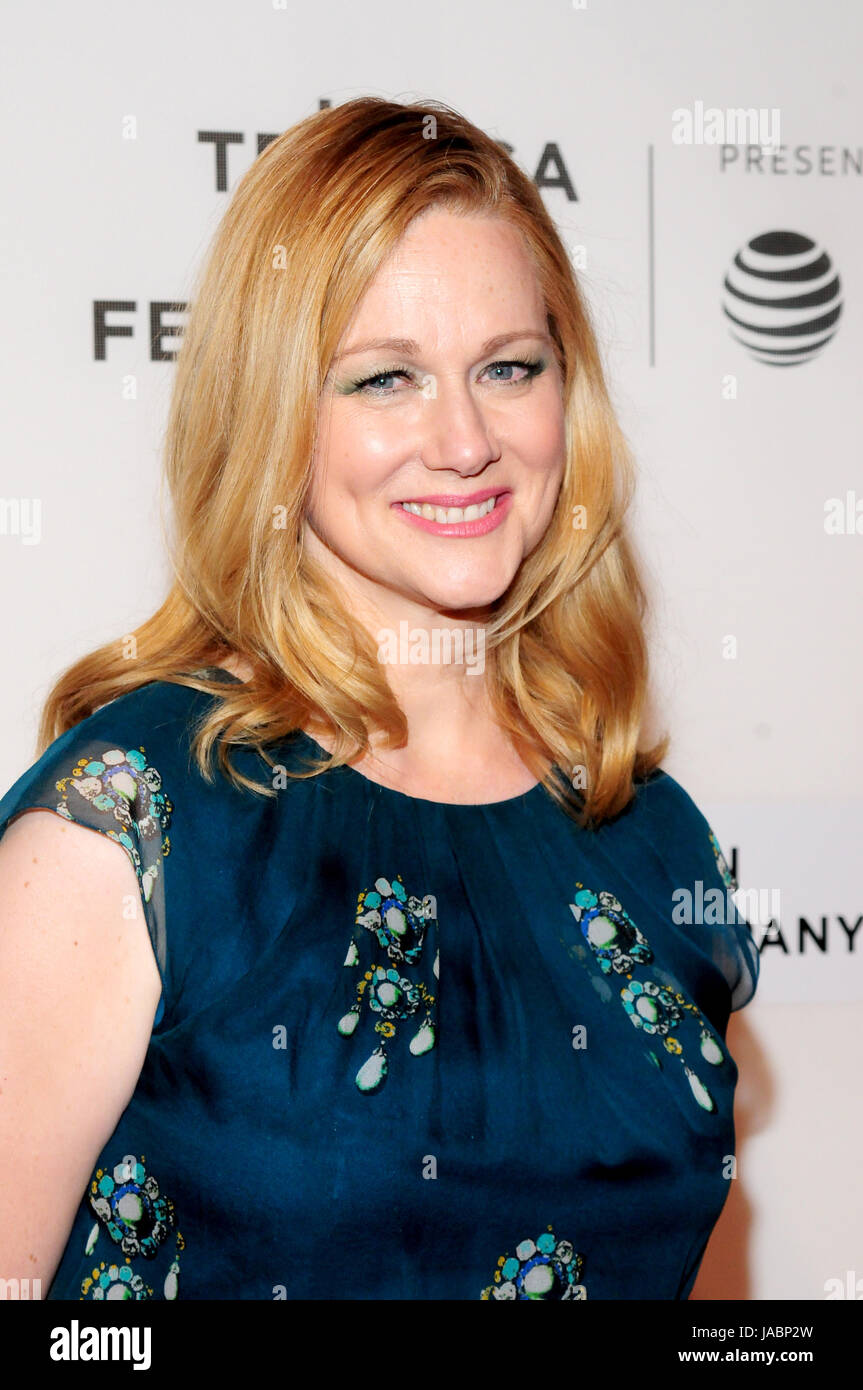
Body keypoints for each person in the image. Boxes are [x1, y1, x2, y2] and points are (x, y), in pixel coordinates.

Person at [0, 96, 758, 1301]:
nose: (462, 440)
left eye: (508, 368)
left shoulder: (642, 831)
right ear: (271, 418)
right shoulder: (129, 826)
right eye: (383, 379)